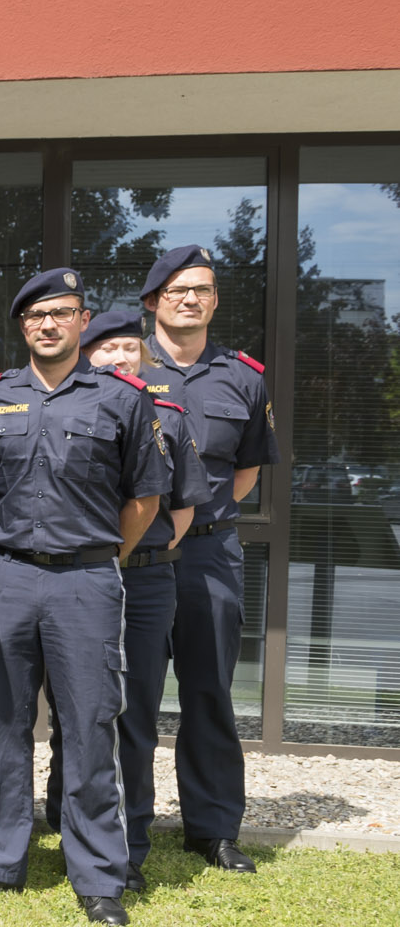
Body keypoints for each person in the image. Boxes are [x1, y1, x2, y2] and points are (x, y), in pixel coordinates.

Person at [0, 268, 172, 925]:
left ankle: (99, 876)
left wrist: (98, 555)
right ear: (22, 326)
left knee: (88, 726)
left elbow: (144, 499)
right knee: (1, 723)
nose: (48, 325)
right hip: (9, 577)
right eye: (36, 316)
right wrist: (19, 540)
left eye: (62, 313)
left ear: (82, 321)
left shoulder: (124, 400)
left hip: (87, 580)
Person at [42, 309, 209, 888]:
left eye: (129, 348)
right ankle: (65, 822)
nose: (120, 358)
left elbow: (183, 506)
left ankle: (130, 839)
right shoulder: (59, 412)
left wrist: (124, 558)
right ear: (85, 356)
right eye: (106, 348)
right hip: (73, 580)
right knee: (73, 713)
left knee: (132, 714)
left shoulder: (168, 414)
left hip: (141, 582)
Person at [144, 244, 278, 872]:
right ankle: (120, 820)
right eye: (178, 291)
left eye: (202, 289)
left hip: (208, 555)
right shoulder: (123, 366)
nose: (192, 299)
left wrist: (195, 518)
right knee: (125, 691)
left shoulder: (243, 377)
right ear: (153, 303)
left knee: (208, 690)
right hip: (136, 555)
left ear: (215, 301)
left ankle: (214, 826)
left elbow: (246, 472)